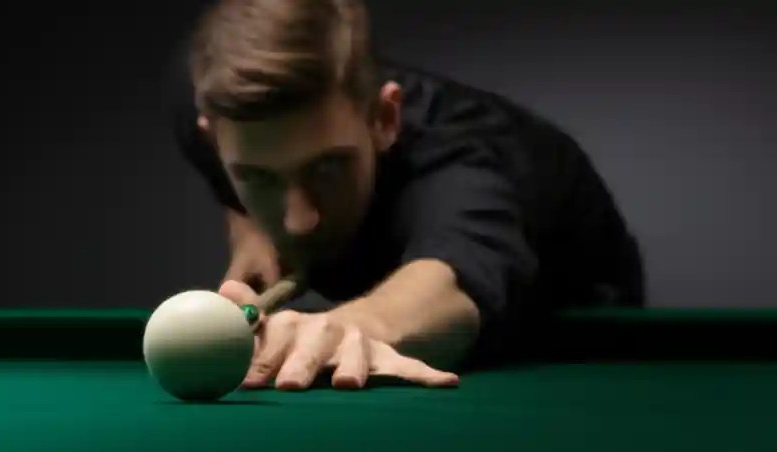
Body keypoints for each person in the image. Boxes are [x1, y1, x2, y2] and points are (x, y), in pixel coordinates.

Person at [169, 0, 645, 391]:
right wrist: (247, 225)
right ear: (215, 141)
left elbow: (450, 276)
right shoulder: (218, 107)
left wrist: (357, 326)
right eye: (258, 176)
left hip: (573, 335)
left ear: (384, 119)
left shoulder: (466, 159)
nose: (298, 221)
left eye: (329, 166)